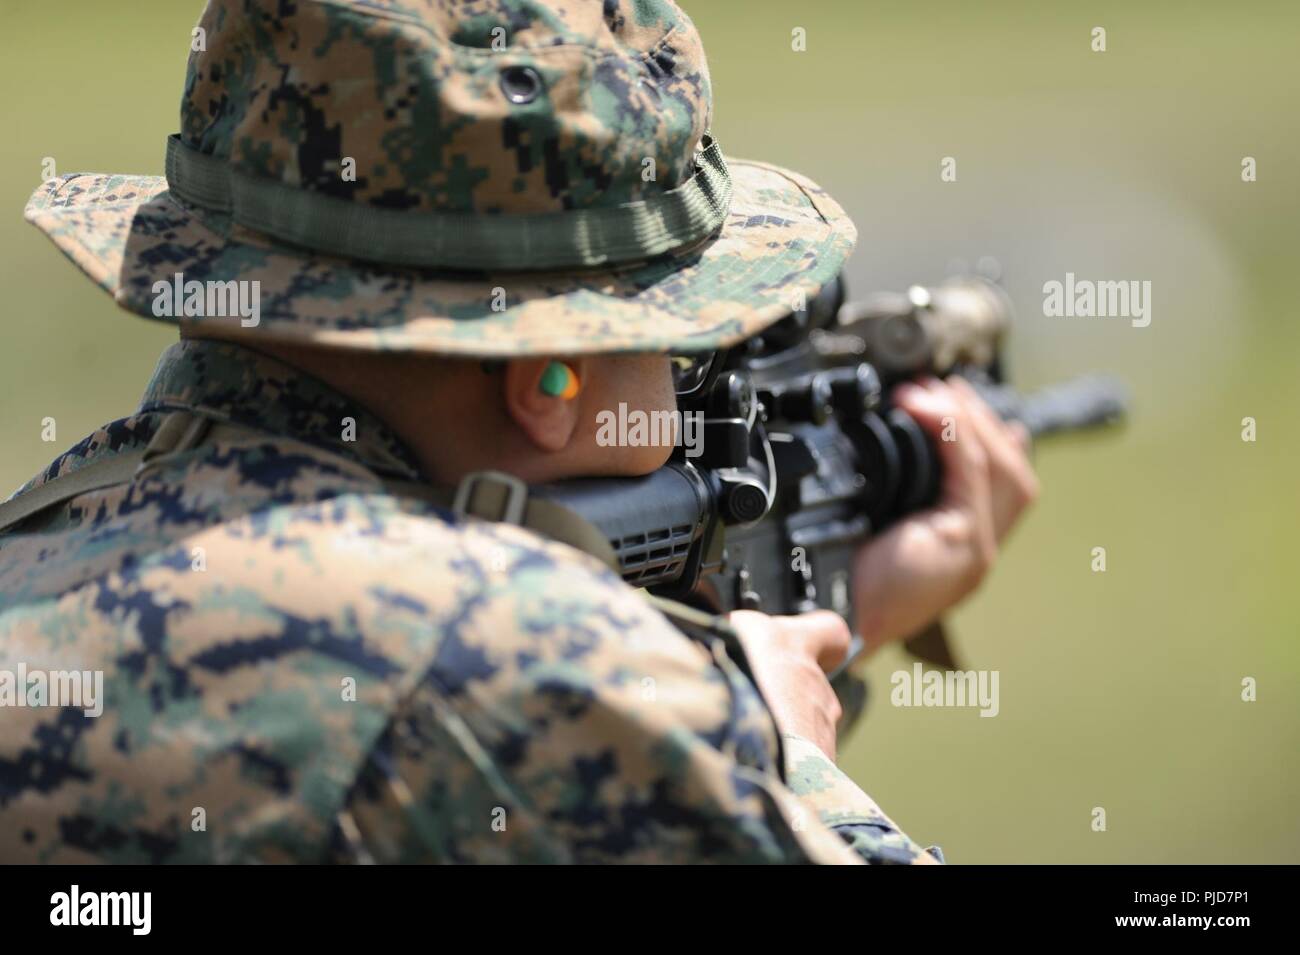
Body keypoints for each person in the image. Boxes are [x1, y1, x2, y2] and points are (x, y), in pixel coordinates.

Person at [0, 0, 1036, 864]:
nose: (680, 409)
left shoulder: (33, 549)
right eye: (676, 348)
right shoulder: (533, 667)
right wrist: (779, 760)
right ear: (550, 375)